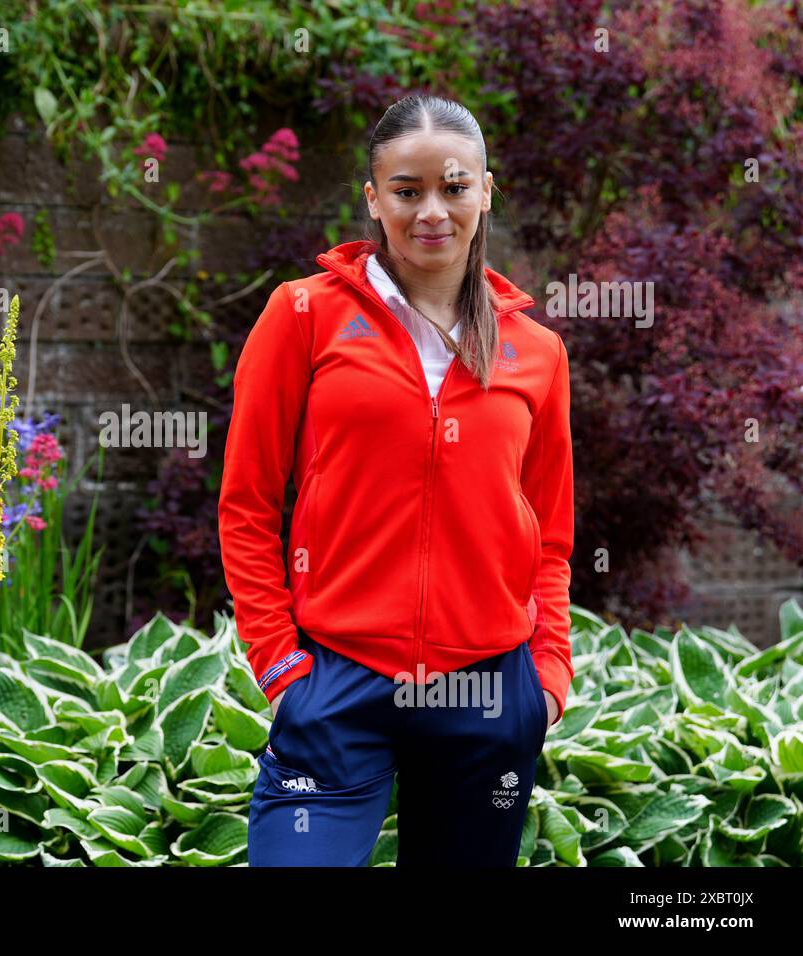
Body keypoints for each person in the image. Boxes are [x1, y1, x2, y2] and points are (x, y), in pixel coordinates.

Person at [218, 94, 574, 867]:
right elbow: (246, 506)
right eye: (407, 191)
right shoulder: (303, 315)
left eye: (454, 187)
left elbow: (550, 533)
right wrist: (281, 667)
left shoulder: (538, 351)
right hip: (337, 684)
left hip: (488, 693)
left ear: (486, 190)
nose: (431, 211)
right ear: (374, 199)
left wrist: (545, 679)